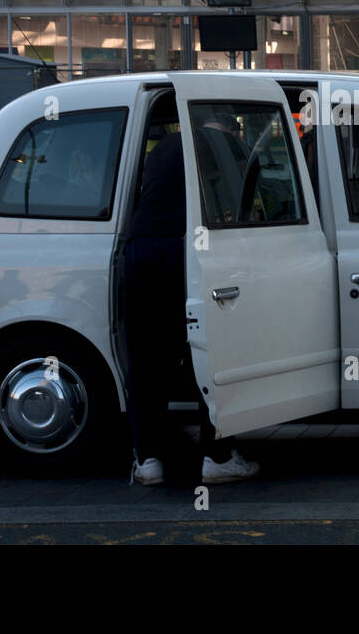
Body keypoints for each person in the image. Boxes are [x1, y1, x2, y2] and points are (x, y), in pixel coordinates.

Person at [126, 125, 261, 487]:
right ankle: (217, 456)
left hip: (141, 248)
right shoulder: (221, 144)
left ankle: (148, 459)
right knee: (208, 353)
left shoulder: (165, 146)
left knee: (147, 359)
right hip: (186, 250)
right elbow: (242, 189)